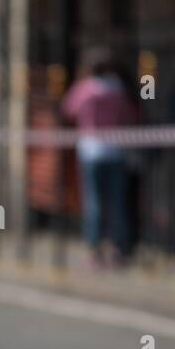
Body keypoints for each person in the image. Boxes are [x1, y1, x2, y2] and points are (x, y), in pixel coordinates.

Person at [62, 51, 139, 268]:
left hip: (91, 150)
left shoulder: (84, 89)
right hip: (116, 149)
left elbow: (68, 110)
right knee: (117, 202)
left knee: (93, 202)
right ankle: (117, 250)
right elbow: (130, 116)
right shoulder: (118, 89)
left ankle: (94, 252)